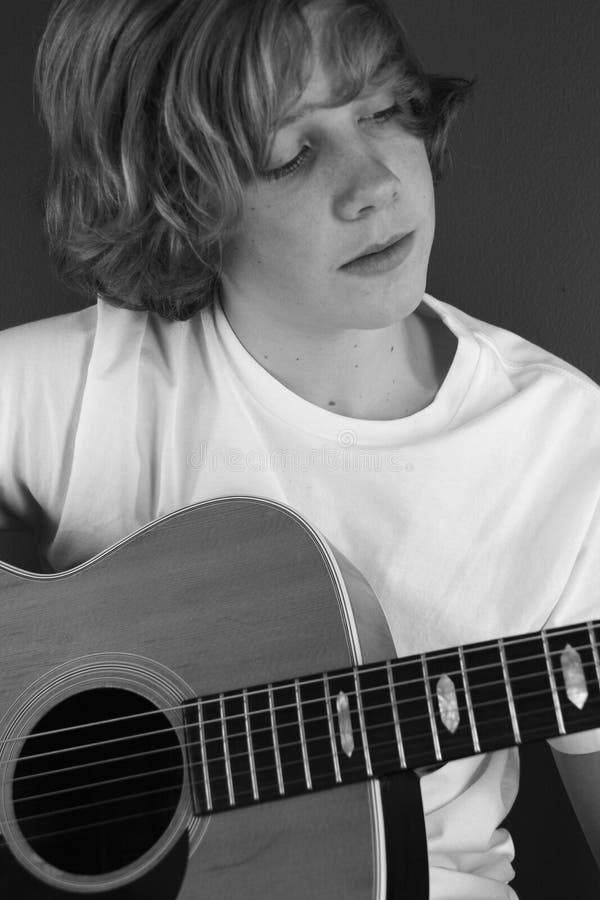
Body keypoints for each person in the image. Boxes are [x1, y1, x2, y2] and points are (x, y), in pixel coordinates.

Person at [1, 0, 599, 896]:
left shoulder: (561, 445)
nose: (374, 184)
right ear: (178, 195)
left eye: (383, 111)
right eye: (289, 153)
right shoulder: (86, 386)